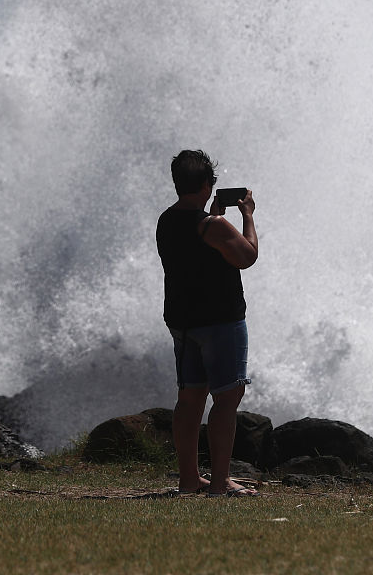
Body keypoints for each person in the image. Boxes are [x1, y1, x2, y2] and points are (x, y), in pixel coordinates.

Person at [156, 149, 258, 496]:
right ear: (205, 184)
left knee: (189, 399)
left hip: (184, 321)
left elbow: (194, 251)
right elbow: (247, 255)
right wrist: (247, 217)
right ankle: (219, 481)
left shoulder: (167, 220)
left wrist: (212, 216)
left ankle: (188, 479)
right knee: (227, 398)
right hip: (220, 320)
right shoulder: (212, 226)